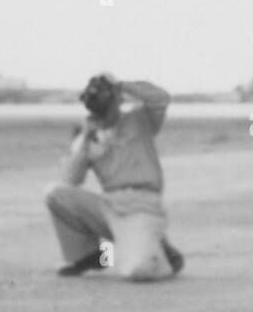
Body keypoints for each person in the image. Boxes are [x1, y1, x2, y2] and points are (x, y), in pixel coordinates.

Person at [44, 73, 185, 281]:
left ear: (118, 101)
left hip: (142, 206)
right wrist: (84, 142)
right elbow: (70, 180)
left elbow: (160, 98)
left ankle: (161, 252)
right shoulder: (88, 134)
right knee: (55, 193)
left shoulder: (139, 119)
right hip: (110, 205)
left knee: (139, 271)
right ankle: (90, 256)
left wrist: (121, 86)